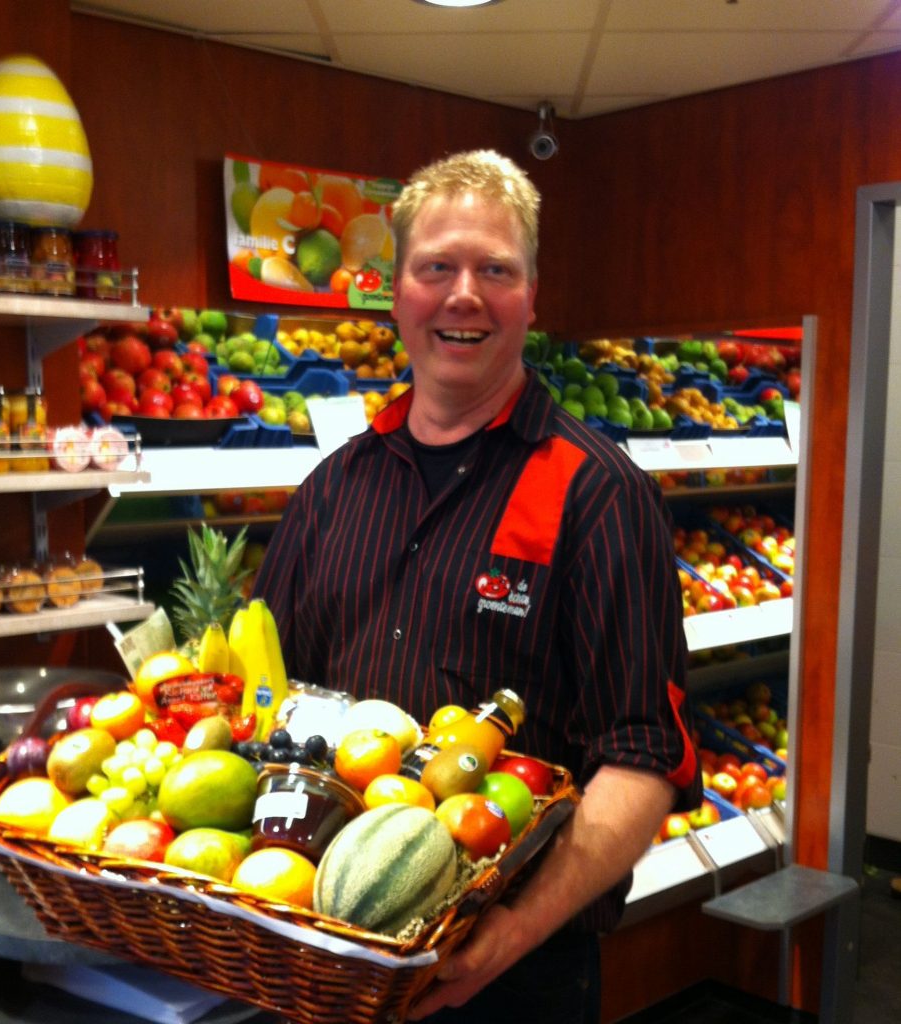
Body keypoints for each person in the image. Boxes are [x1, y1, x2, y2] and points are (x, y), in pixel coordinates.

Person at [252, 149, 701, 1023]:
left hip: (510, 978)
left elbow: (645, 756)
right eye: (437, 268)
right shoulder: (332, 490)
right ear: (395, 294)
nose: (465, 295)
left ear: (531, 297)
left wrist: (516, 932)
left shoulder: (598, 494)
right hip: (327, 951)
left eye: (495, 270)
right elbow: (269, 702)